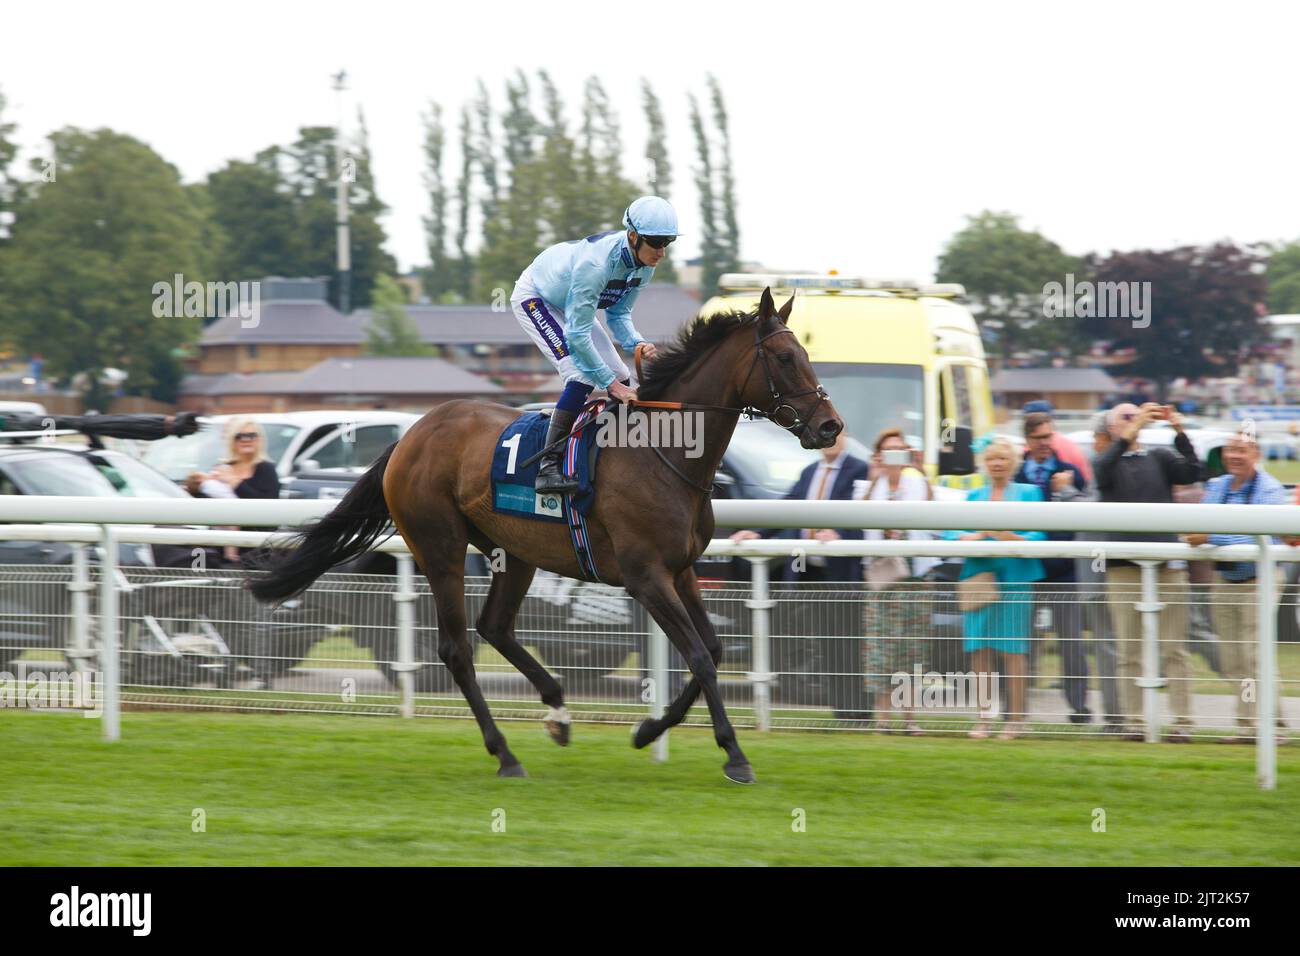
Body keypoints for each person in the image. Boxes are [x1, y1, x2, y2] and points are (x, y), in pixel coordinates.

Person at [510, 196, 676, 494]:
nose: (662, 252)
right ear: (634, 236)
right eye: (656, 241)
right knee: (582, 374)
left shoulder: (645, 263)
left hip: (570, 304)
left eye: (669, 242)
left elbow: (619, 313)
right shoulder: (596, 266)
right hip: (537, 297)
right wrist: (611, 386)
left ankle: (617, 457)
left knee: (624, 376)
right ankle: (547, 466)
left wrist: (636, 343)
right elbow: (576, 337)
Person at [731, 430, 870, 718]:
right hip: (809, 571)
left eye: (836, 435)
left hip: (840, 572)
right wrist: (757, 532)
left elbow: (866, 515)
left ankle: (857, 710)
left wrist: (841, 533)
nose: (831, 441)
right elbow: (786, 508)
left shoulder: (860, 470)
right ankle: (841, 710)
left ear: (845, 436)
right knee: (826, 643)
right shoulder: (809, 472)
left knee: (847, 641)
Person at [1095, 402, 1200, 742]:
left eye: (1136, 415)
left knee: (1174, 648)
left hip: (1167, 562)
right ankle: (1134, 722)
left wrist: (1179, 430)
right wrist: (1132, 430)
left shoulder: (1160, 456)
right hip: (1123, 567)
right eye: (1125, 418)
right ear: (1112, 429)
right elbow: (1100, 473)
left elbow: (1192, 472)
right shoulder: (1107, 460)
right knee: (1129, 650)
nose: (1134, 421)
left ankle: (1182, 721)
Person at [1185, 432, 1291, 745]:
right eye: (1230, 450)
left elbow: (1266, 537)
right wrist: (1210, 535)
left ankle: (1275, 727)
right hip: (1225, 582)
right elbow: (1199, 527)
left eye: (1241, 450)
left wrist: (1213, 537)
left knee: (1255, 656)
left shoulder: (1269, 488)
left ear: (1255, 454)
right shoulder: (1217, 486)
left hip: (1259, 581)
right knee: (1233, 659)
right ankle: (1247, 726)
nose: (1234, 456)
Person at [941, 439, 1046, 740]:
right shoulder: (974, 495)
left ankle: (1016, 720)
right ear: (984, 464)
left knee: (1013, 651)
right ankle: (984, 718)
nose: (997, 463)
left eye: (1002, 458)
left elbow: (1039, 535)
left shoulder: (1029, 493)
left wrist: (1005, 535)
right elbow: (951, 533)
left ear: (1012, 462)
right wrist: (971, 538)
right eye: (992, 459)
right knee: (979, 649)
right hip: (978, 578)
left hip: (1014, 580)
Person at [1014, 411, 1091, 724]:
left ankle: (1079, 706)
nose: (1045, 443)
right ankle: (1019, 707)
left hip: (1063, 571)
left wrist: (1065, 493)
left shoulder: (1070, 472)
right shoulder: (1016, 476)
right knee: (1022, 640)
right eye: (1039, 438)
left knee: (1070, 641)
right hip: (1027, 570)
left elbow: (1087, 515)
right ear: (1028, 440)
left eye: (1049, 437)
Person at [859, 428, 937, 734]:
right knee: (881, 648)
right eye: (889, 451)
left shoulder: (916, 481)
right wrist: (874, 475)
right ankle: (883, 719)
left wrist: (920, 470)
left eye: (900, 450)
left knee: (913, 648)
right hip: (884, 578)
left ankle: (910, 719)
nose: (894, 457)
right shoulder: (870, 484)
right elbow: (859, 516)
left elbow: (933, 512)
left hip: (917, 575)